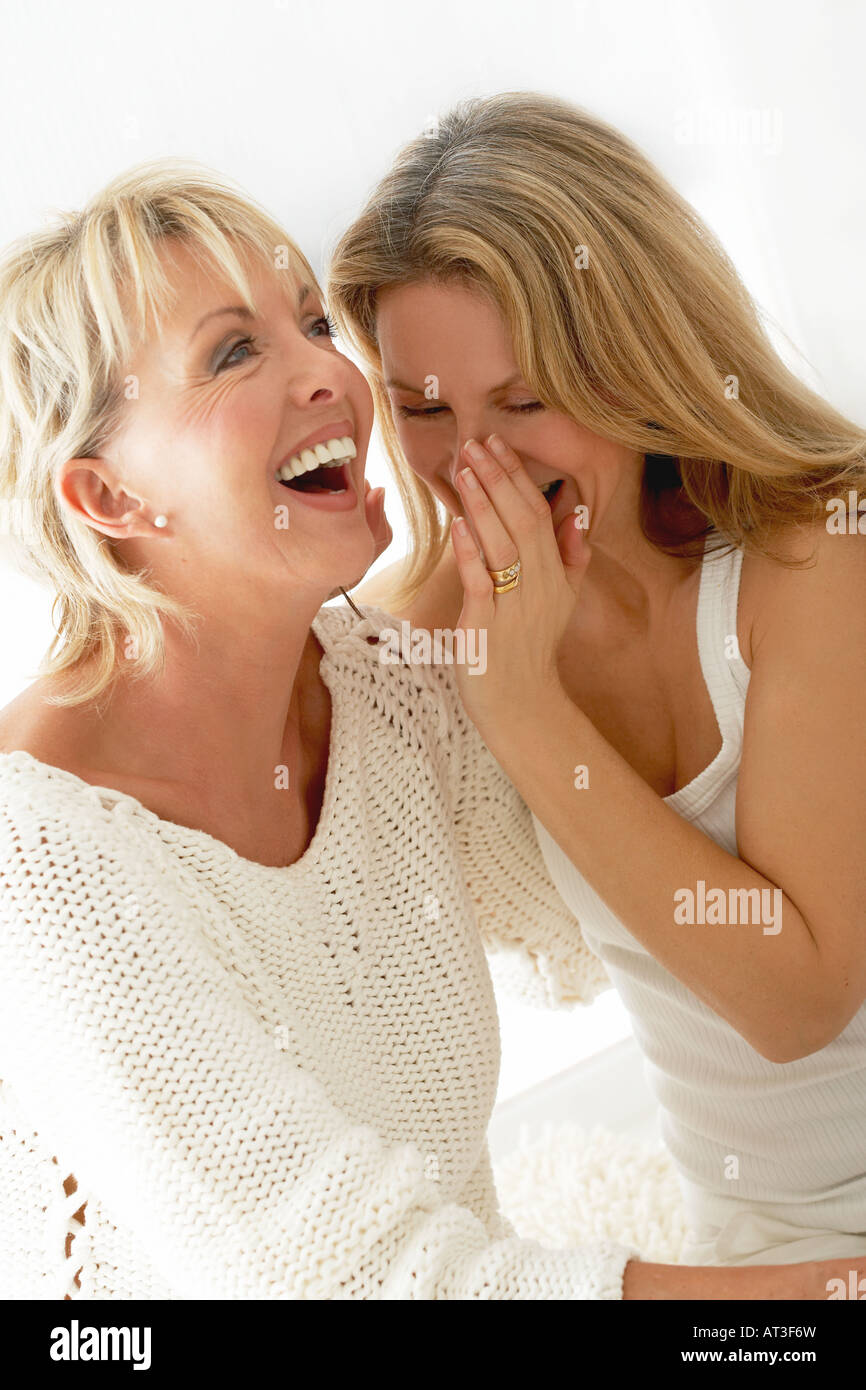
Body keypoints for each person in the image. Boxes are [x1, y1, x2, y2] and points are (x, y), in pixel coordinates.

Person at [329, 91, 866, 1267]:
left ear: (638, 360)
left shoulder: (814, 555)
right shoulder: (430, 622)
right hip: (766, 1246)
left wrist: (522, 709)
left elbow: (796, 1003)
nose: (476, 461)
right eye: (422, 410)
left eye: (525, 401)